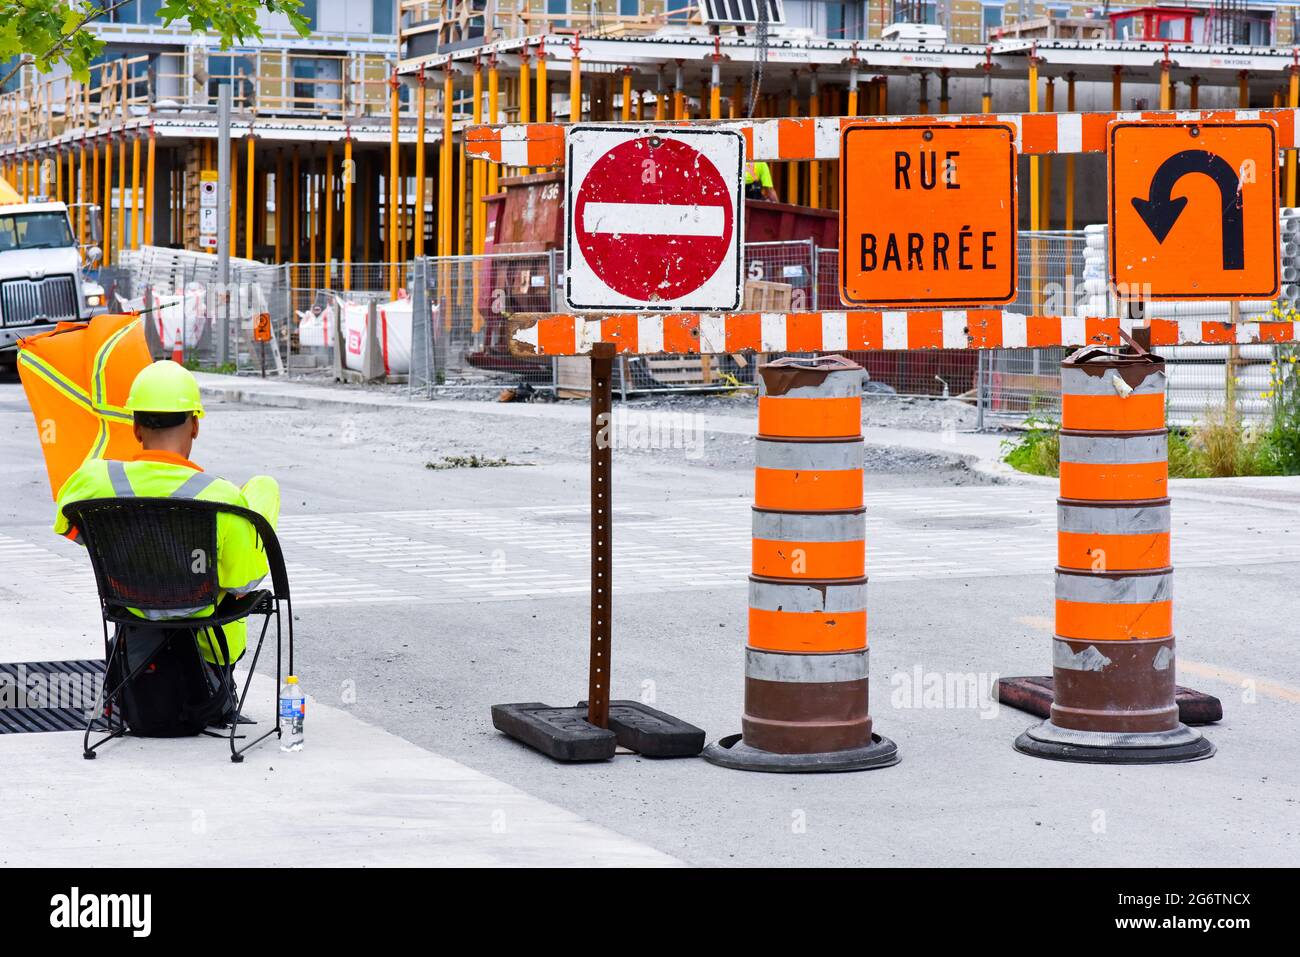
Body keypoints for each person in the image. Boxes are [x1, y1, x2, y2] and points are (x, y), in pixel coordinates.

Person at [54, 360, 280, 716]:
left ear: (135, 426)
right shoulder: (220, 497)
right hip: (206, 643)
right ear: (195, 426)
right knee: (264, 489)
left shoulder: (95, 480)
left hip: (133, 623)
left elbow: (74, 529)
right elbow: (242, 584)